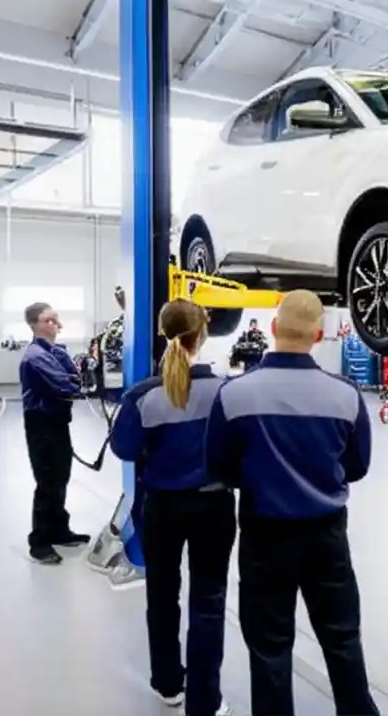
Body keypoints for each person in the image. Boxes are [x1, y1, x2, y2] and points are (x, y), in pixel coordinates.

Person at [205, 290, 379, 716]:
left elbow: (219, 467)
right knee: (341, 640)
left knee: (269, 647)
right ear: (319, 335)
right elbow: (356, 466)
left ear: (273, 328)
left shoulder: (234, 395)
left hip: (265, 537)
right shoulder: (346, 396)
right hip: (327, 536)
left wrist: (265, 478)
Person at [111, 300, 234, 716]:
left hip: (161, 508)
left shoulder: (142, 396)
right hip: (214, 508)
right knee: (209, 600)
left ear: (165, 334)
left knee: (162, 597)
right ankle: (206, 699)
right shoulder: (224, 391)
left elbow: (124, 448)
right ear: (203, 335)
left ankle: (167, 683)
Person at [20, 301, 87, 565]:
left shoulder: (54, 352)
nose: (56, 325)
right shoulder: (35, 357)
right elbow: (64, 384)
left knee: (61, 476)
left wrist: (77, 378)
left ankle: (59, 530)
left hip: (57, 422)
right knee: (48, 481)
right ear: (34, 325)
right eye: (48, 320)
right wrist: (78, 382)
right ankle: (39, 542)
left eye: (56, 319)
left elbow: (75, 376)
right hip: (41, 423)